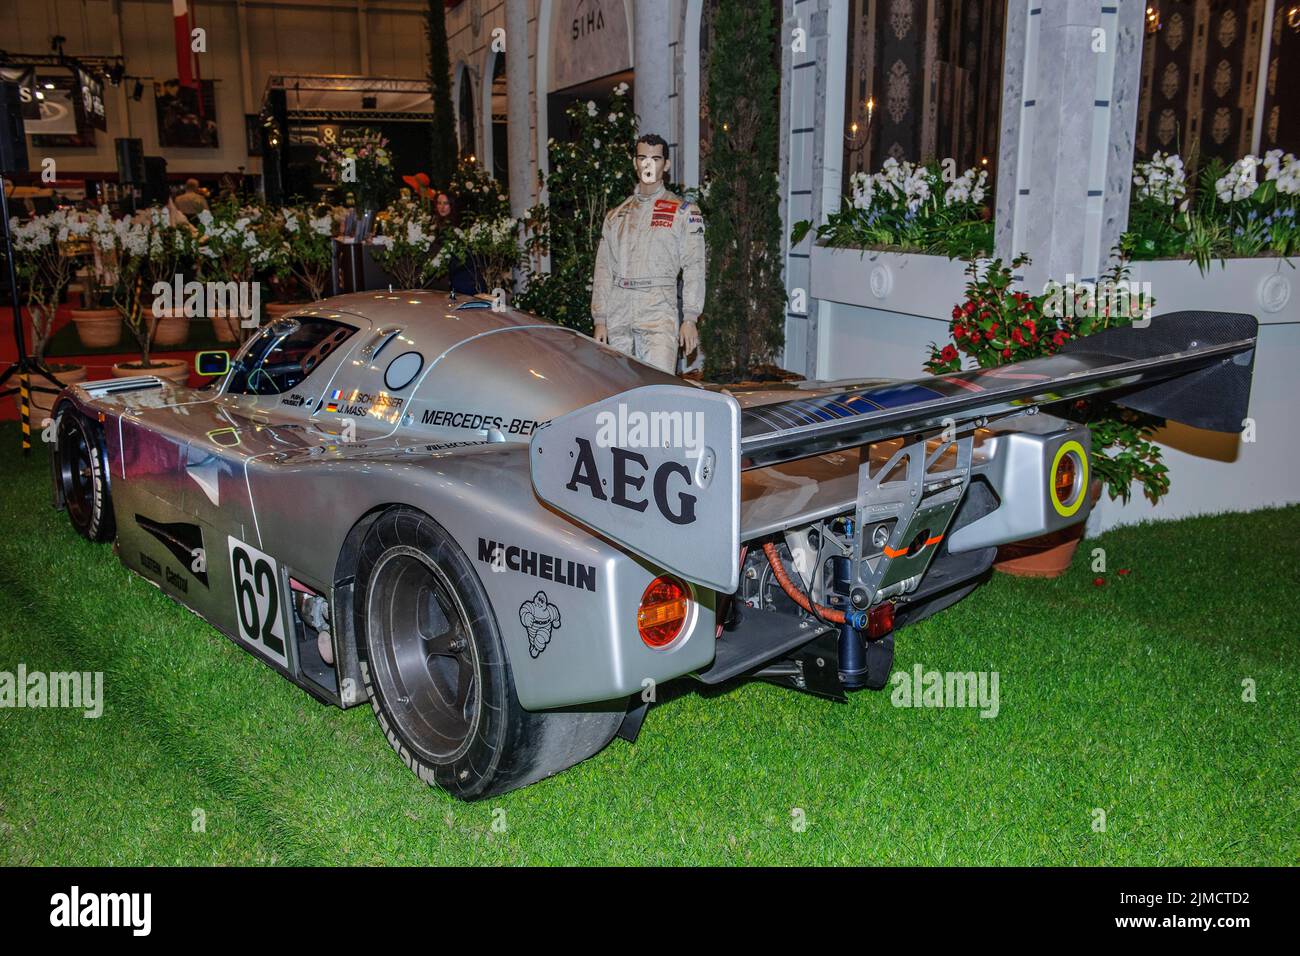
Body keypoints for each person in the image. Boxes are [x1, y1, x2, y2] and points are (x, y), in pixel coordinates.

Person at [591, 133, 705, 374]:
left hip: (658, 312)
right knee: (621, 391)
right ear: (635, 163)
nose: (648, 165)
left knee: (657, 391)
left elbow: (694, 265)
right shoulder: (615, 216)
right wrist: (600, 319)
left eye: (655, 158)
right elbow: (604, 268)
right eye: (643, 158)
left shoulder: (683, 212)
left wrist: (690, 317)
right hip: (618, 314)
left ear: (666, 164)